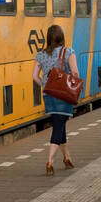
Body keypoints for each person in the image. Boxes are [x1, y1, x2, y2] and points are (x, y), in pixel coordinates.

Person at [33, 25, 80, 173]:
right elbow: (75, 72)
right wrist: (74, 83)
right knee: (58, 127)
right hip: (63, 95)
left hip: (49, 95)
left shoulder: (40, 54)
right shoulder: (68, 52)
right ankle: (50, 161)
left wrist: (45, 86)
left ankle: (67, 158)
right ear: (61, 37)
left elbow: (34, 77)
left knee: (60, 124)